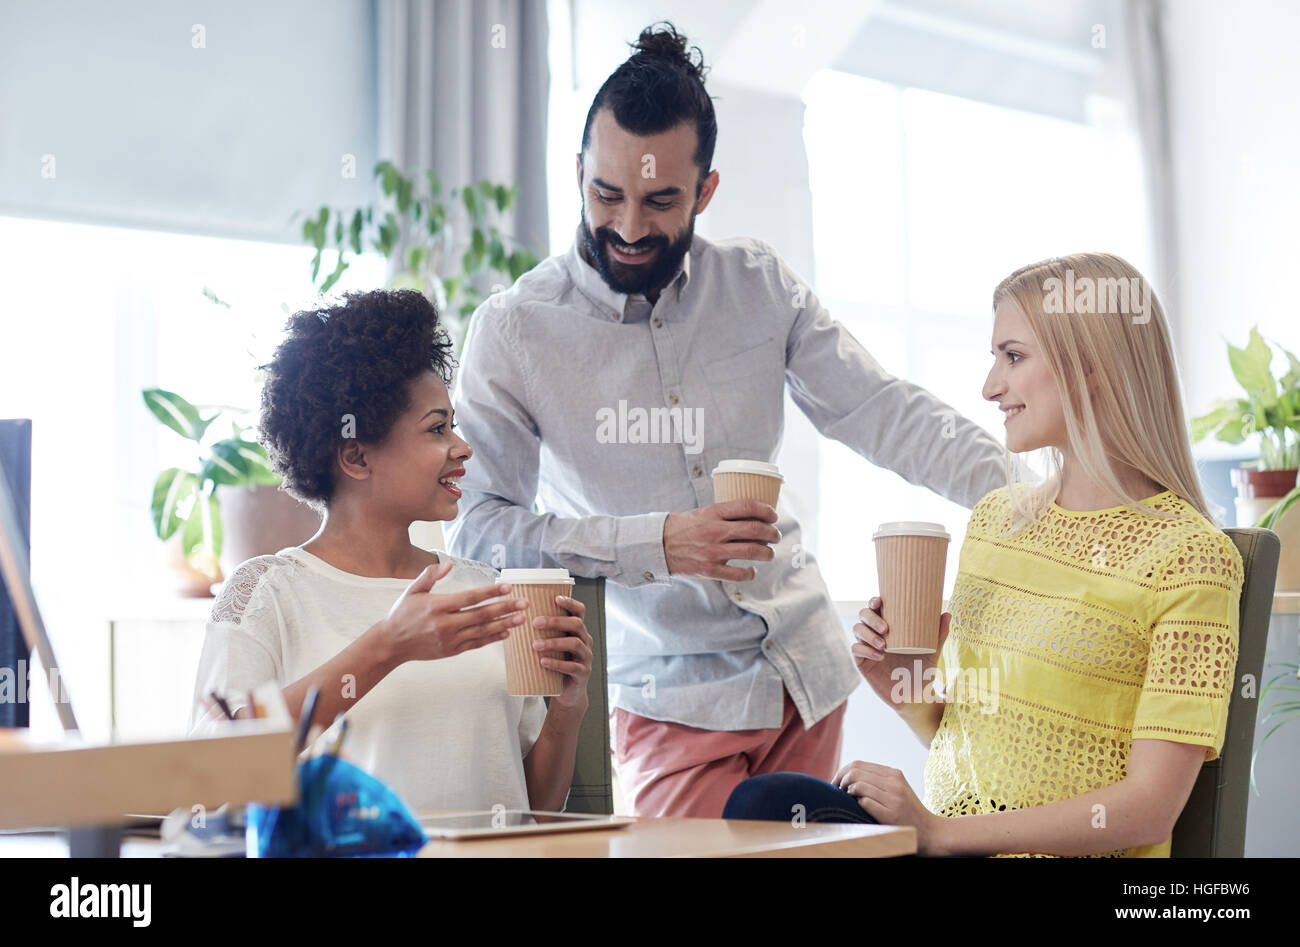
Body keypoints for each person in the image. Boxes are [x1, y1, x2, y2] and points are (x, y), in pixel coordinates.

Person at [445, 23, 1008, 819]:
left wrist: (1029, 490)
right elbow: (478, 530)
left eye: (660, 200)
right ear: (577, 173)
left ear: (706, 191)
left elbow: (883, 412)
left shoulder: (758, 287)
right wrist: (658, 539)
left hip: (805, 675)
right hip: (669, 693)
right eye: (606, 194)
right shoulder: (515, 330)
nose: (630, 226)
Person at [722, 252, 1244, 858]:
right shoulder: (999, 521)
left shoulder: (1189, 559)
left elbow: (1149, 811)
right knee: (761, 805)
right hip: (956, 846)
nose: (990, 386)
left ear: (1091, 367)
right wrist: (906, 690)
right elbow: (969, 736)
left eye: (1014, 356)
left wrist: (939, 833)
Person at [190, 289, 593, 814]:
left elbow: (535, 804)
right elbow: (211, 774)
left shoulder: (484, 591)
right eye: (436, 429)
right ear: (356, 455)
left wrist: (568, 706)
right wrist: (388, 645)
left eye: (455, 425)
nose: (463, 447)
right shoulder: (269, 593)